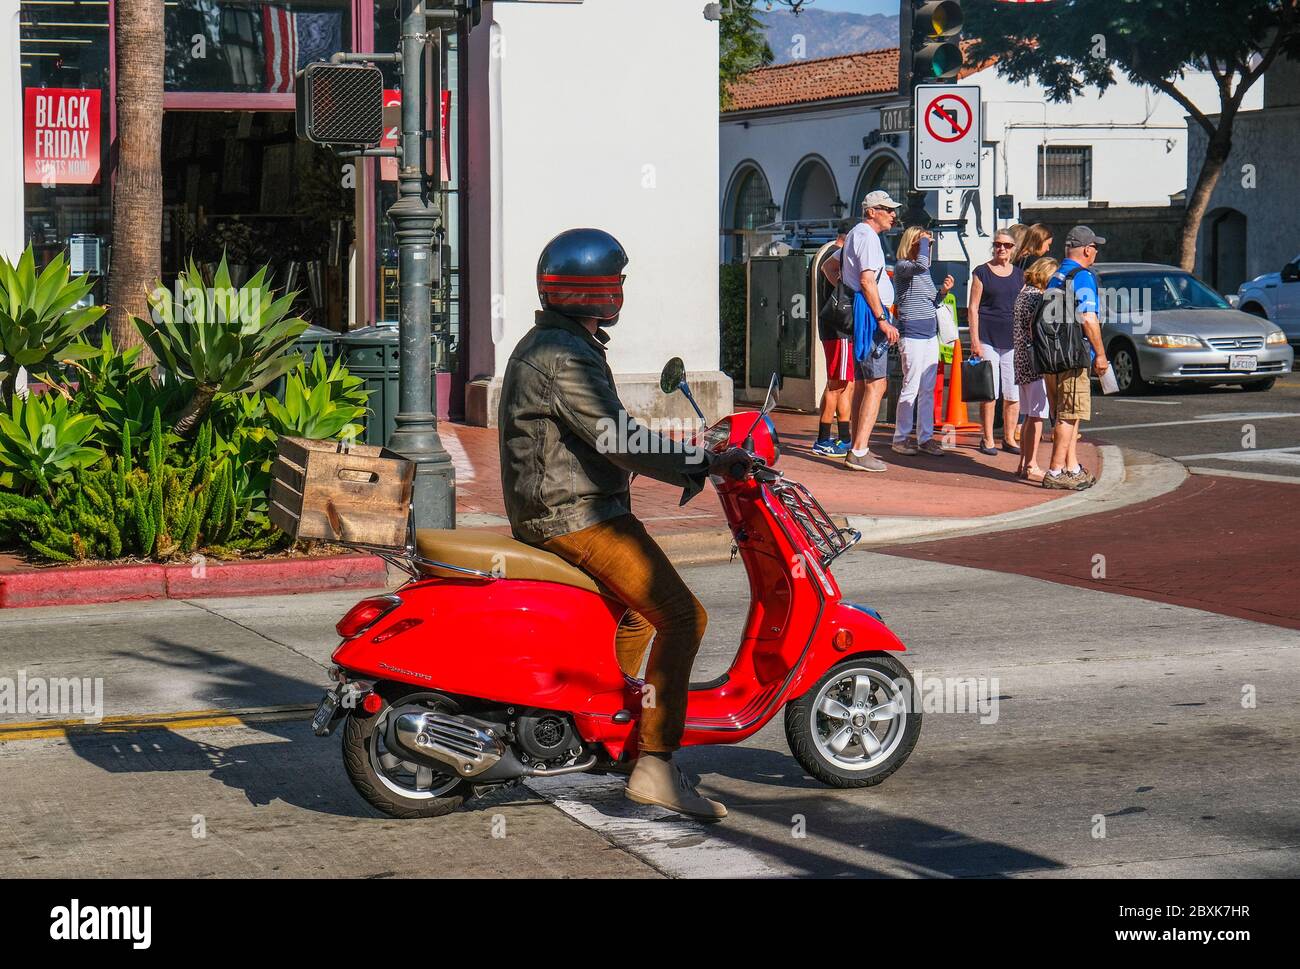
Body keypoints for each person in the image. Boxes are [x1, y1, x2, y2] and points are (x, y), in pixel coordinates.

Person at [498, 227, 752, 820]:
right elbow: (614, 437)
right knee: (683, 617)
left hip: (564, 505)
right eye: (618, 280)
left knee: (636, 612)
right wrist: (701, 461)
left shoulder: (560, 344)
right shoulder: (562, 354)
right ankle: (656, 765)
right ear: (597, 289)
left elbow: (606, 423)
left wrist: (686, 446)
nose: (622, 290)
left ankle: (606, 725)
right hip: (576, 514)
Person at [1041, 225, 1110, 490]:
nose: (1095, 252)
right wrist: (1100, 354)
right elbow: (1088, 318)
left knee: (1067, 412)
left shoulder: (1057, 275)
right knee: (1068, 415)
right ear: (1086, 249)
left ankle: (1071, 467)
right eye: (1094, 247)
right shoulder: (1082, 276)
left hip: (1053, 354)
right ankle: (1056, 471)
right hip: (1074, 355)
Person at [840, 190, 902, 472]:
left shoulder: (856, 235)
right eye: (886, 209)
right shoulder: (868, 237)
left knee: (865, 384)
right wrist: (881, 318)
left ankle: (857, 445)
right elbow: (867, 280)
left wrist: (847, 295)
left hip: (862, 313)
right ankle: (859, 449)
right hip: (871, 317)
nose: (893, 214)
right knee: (877, 383)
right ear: (871, 212)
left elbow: (832, 266)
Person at [889, 225, 953, 456]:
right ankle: (900, 438)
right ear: (912, 244)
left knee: (927, 388)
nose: (927, 249)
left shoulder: (922, 271)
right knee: (911, 386)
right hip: (912, 334)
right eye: (923, 244)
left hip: (929, 334)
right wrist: (924, 241)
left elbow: (931, 302)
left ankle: (925, 438)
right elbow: (922, 264)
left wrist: (943, 293)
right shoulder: (904, 266)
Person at [967, 230, 1026, 456]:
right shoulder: (982, 272)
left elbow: (1022, 308)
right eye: (998, 244)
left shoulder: (1020, 275)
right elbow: (973, 307)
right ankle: (988, 437)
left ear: (1013, 248)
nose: (1002, 249)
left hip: (1012, 339)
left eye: (1007, 245)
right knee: (990, 391)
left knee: (1012, 392)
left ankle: (1009, 437)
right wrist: (974, 341)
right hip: (987, 337)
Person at [1011, 256, 1059, 483]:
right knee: (1037, 415)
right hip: (1036, 361)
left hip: (1021, 359)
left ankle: (1023, 462)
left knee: (1029, 415)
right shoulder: (1038, 297)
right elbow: (1040, 330)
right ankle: (1031, 464)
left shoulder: (1023, 293)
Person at [813, 220, 855, 455]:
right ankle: (824, 438)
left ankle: (840, 437)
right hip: (839, 329)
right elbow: (828, 271)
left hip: (833, 329)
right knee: (837, 385)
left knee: (841, 383)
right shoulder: (835, 256)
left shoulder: (828, 253)